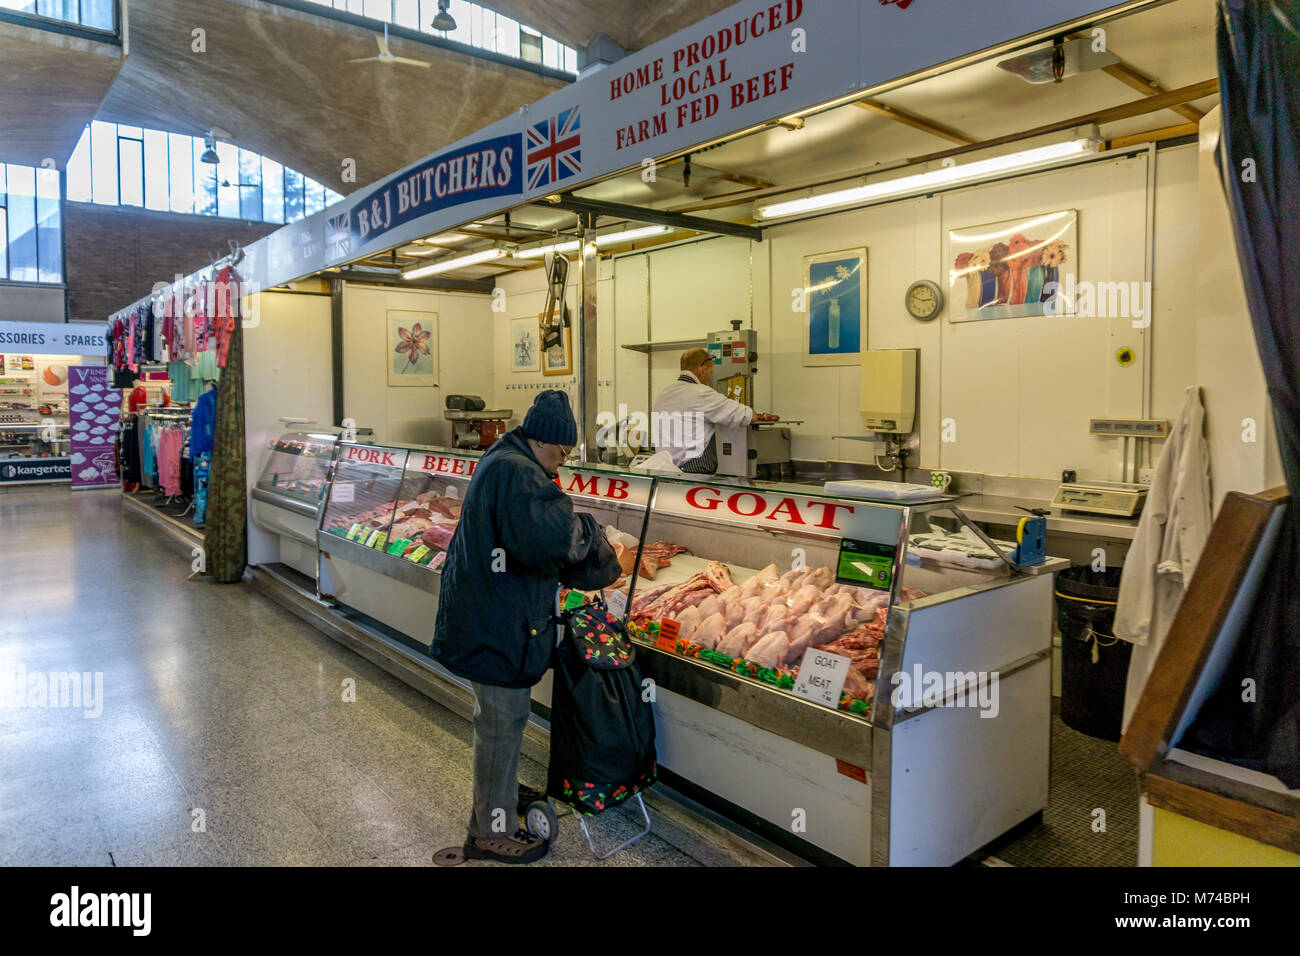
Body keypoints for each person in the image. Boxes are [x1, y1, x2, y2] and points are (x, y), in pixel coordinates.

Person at [432, 389, 617, 864]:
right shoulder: (518, 472)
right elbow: (554, 540)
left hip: (490, 616)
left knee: (500, 720)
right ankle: (489, 831)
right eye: (562, 452)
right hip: (497, 625)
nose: (564, 462)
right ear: (543, 441)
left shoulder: (507, 458)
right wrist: (597, 538)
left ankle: (500, 794)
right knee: (501, 722)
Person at [652, 347, 777, 474]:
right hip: (692, 472)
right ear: (702, 370)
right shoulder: (700, 393)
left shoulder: (664, 393)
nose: (709, 378)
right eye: (710, 373)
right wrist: (755, 415)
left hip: (666, 470)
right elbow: (738, 413)